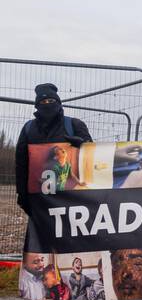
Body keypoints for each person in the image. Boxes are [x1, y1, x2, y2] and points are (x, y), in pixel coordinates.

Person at [14, 83, 93, 216]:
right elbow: (21, 164)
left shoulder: (74, 125)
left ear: (59, 103)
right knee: (41, 236)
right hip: (40, 200)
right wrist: (22, 194)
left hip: (71, 201)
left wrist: (84, 145)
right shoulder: (28, 129)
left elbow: (92, 157)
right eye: (43, 101)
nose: (47, 104)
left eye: (51, 101)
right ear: (37, 106)